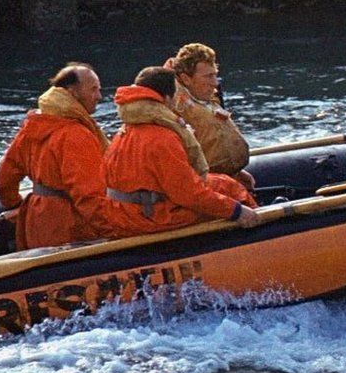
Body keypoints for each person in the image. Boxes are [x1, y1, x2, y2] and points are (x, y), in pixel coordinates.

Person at [104, 66, 261, 236]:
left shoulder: (126, 131)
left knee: (223, 182)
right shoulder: (162, 138)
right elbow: (189, 194)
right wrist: (237, 211)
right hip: (151, 218)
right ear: (166, 98)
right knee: (231, 191)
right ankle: (259, 231)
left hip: (126, 213)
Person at [0, 62, 129, 250]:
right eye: (93, 90)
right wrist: (115, 232)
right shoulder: (77, 135)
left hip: (35, 221)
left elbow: (4, 179)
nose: (99, 96)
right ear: (72, 92)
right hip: (69, 227)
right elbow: (88, 196)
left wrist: (15, 206)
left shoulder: (32, 125)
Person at [166, 43, 255, 190]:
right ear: (186, 79)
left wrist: (236, 173)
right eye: (208, 76)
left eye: (215, 74)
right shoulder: (173, 108)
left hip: (227, 178)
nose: (215, 83)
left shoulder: (205, 97)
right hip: (205, 185)